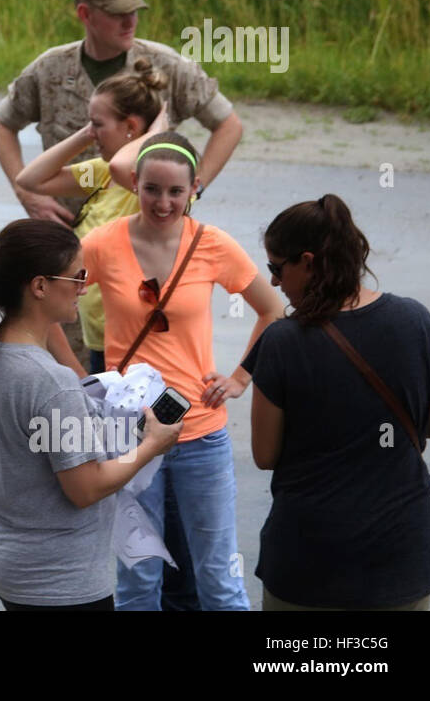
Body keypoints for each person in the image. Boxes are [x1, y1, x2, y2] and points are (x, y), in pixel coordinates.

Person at [0, 0, 244, 374]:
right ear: (85, 14)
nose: (130, 21)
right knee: (70, 370)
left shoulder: (164, 66)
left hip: (139, 254)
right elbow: (4, 124)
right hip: (66, 249)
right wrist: (30, 196)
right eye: (116, 12)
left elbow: (228, 125)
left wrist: (191, 189)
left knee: (133, 378)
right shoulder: (50, 69)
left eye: (134, 10)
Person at [80, 131, 283, 610]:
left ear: (195, 188)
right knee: (137, 578)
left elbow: (272, 310)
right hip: (129, 433)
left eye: (176, 191)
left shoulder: (212, 244)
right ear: (134, 183)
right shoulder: (103, 243)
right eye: (152, 188)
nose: (163, 202)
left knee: (217, 576)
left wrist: (238, 378)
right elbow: (48, 292)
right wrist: (75, 375)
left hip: (199, 431)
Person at [0, 219, 181, 610]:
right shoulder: (51, 382)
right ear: (40, 286)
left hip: (8, 555)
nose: (84, 287)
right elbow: (85, 488)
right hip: (57, 576)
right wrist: (151, 445)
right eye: (77, 276)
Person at [247, 195, 430, 610]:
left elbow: (265, 453)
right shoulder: (415, 320)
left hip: (309, 557)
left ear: (309, 262)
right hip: (401, 554)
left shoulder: (281, 342)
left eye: (277, 269)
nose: (275, 283)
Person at [15, 59, 168, 374]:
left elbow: (120, 167)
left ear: (131, 128)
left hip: (137, 340)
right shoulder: (102, 174)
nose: (92, 132)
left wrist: (153, 137)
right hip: (100, 337)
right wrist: (87, 134)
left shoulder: (148, 183)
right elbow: (30, 180)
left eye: (98, 123)